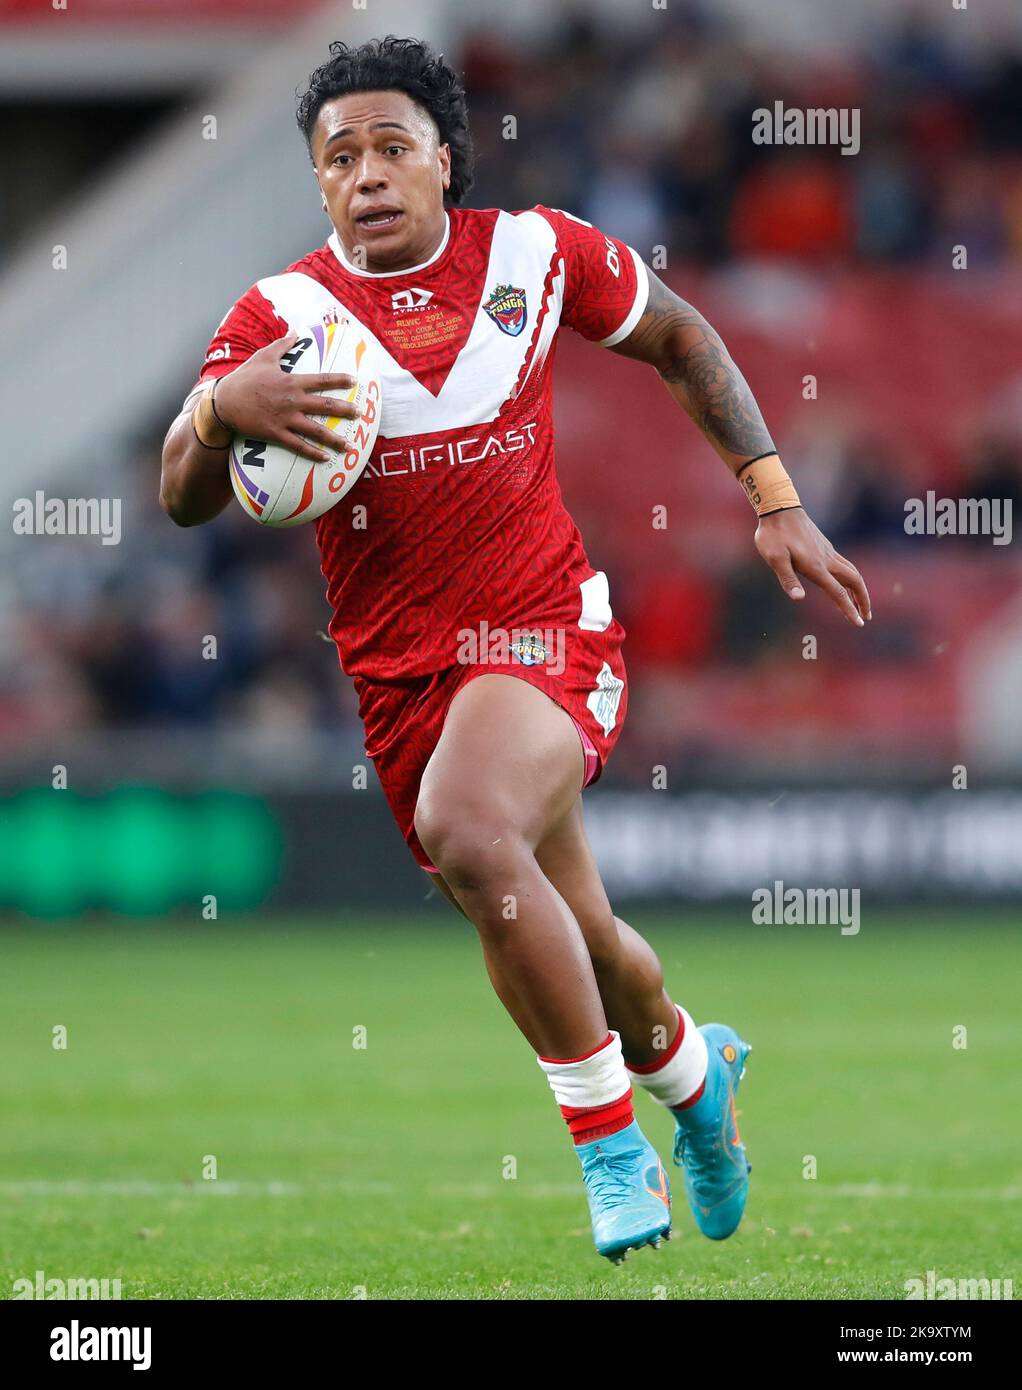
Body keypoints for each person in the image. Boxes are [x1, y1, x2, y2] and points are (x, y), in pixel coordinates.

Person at [160, 36, 870, 1263]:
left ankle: (606, 1143)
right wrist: (218, 414)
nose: (367, 175)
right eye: (339, 158)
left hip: (545, 631)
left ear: (445, 158)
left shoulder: (534, 255)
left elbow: (680, 335)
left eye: (391, 147)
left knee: (471, 829)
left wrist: (770, 494)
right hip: (400, 680)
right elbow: (181, 493)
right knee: (577, 936)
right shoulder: (283, 320)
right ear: (317, 182)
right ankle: (699, 1076)